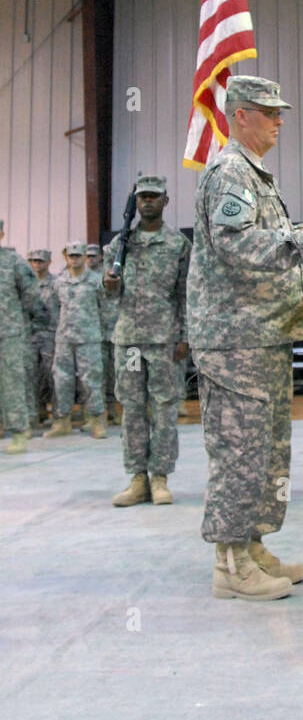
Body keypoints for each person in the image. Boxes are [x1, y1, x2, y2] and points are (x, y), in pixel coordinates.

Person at [187, 75, 303, 602]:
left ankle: (252, 546)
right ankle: (230, 564)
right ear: (241, 115)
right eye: (270, 112)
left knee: (267, 451)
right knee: (240, 452)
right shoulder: (231, 171)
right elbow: (237, 244)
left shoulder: (255, 174)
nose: (281, 119)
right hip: (234, 343)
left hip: (261, 338)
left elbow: (267, 235)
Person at [103, 175, 191, 507]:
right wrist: (109, 284)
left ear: (165, 201)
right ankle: (137, 478)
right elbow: (107, 290)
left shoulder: (178, 244)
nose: (148, 202)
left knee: (165, 408)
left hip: (165, 341)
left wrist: (185, 336)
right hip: (129, 342)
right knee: (133, 410)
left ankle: (160, 477)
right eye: (142, 197)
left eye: (154, 196)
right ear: (136, 202)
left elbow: (185, 294)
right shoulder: (119, 245)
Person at [45, 242, 106, 439]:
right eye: (71, 255)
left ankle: (97, 420)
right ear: (65, 257)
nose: (75, 259)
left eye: (79, 255)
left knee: (92, 380)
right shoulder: (59, 282)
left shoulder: (96, 281)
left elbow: (106, 307)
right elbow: (53, 308)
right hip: (64, 339)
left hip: (89, 337)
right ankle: (62, 421)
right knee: (62, 380)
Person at [0, 220, 48, 454]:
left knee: (11, 382)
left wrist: (22, 317)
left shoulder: (13, 262)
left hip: (8, 333)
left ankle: (19, 432)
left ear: (2, 234)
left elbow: (31, 293)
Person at [26, 249, 59, 427]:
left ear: (49, 262)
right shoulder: (26, 284)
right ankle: (35, 413)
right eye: (34, 261)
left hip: (50, 335)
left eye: (41, 261)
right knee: (31, 374)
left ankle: (57, 414)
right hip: (30, 336)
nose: (37, 264)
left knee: (51, 375)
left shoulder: (56, 283)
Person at [88, 243, 120, 424]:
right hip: (97, 334)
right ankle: (99, 415)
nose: (91, 259)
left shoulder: (125, 273)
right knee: (98, 375)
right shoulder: (91, 280)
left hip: (120, 334)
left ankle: (120, 412)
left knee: (125, 374)